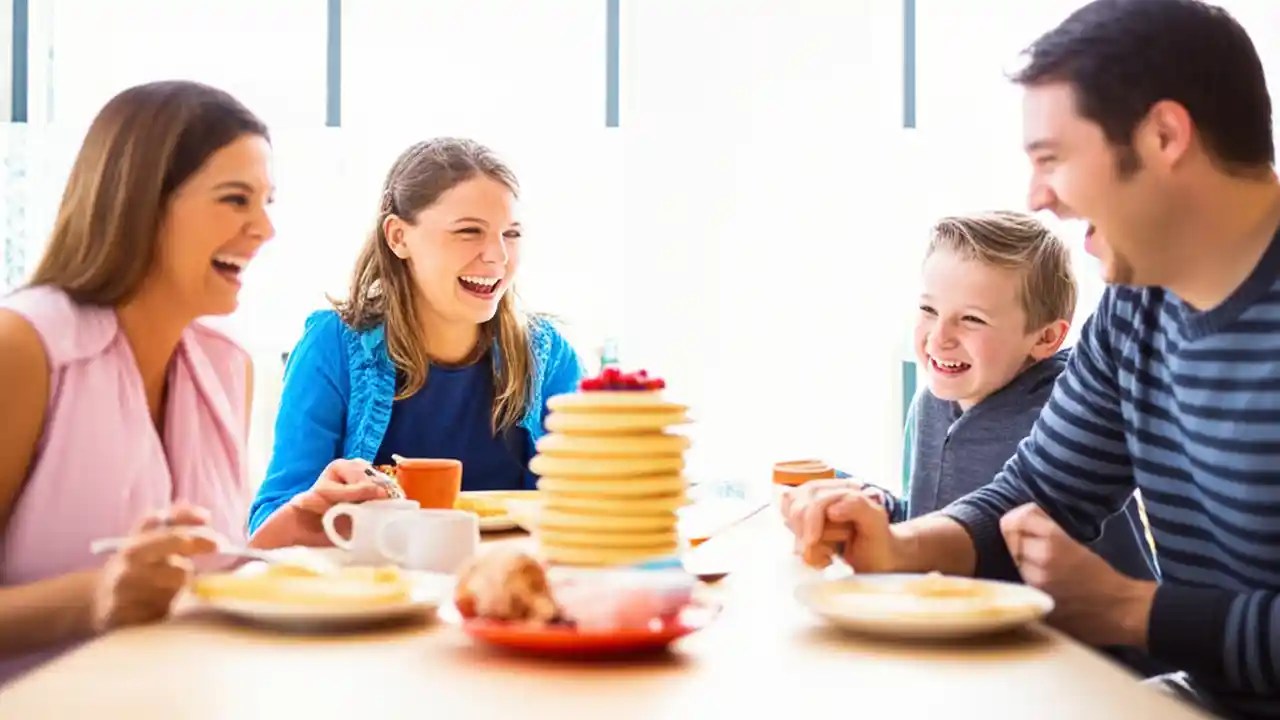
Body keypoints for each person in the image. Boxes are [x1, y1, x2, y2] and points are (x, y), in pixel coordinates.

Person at [782, 1, 1280, 716]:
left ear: (1165, 136)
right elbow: (1039, 490)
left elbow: (1122, 605)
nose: (1037, 198)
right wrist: (897, 545)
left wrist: (1129, 610)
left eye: (1053, 159)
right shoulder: (1137, 306)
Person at [248, 138, 584, 547]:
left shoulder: (549, 359)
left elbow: (582, 510)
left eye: (511, 234)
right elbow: (267, 524)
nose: (497, 256)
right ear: (398, 237)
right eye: (468, 231)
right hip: (380, 592)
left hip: (511, 586)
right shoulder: (332, 346)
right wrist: (316, 502)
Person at [869, 210, 1156, 586]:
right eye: (928, 309)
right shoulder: (930, 405)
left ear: (1045, 338)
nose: (939, 337)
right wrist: (881, 512)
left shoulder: (1067, 422)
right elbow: (935, 522)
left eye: (972, 319)